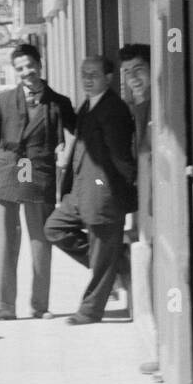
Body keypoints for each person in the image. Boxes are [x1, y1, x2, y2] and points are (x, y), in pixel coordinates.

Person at [0, 44, 76, 321]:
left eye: (30, 66)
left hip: (38, 174)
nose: (26, 72)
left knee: (40, 241)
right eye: (20, 68)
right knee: (4, 242)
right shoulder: (4, 101)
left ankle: (40, 306)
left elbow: (81, 132)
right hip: (7, 173)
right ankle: (2, 306)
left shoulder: (59, 102)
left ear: (40, 65)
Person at [45, 55, 137, 325]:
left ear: (108, 78)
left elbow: (121, 156)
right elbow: (80, 136)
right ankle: (117, 262)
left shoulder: (114, 109)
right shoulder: (90, 104)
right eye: (84, 74)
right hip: (82, 190)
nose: (87, 79)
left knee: (101, 251)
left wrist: (128, 188)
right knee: (55, 228)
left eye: (93, 74)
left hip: (103, 191)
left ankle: (90, 311)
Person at [118, 44, 156, 370]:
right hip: (144, 205)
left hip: (161, 204)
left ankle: (164, 351)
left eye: (139, 69)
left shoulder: (161, 106)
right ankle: (159, 346)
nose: (133, 78)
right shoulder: (136, 109)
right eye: (127, 72)